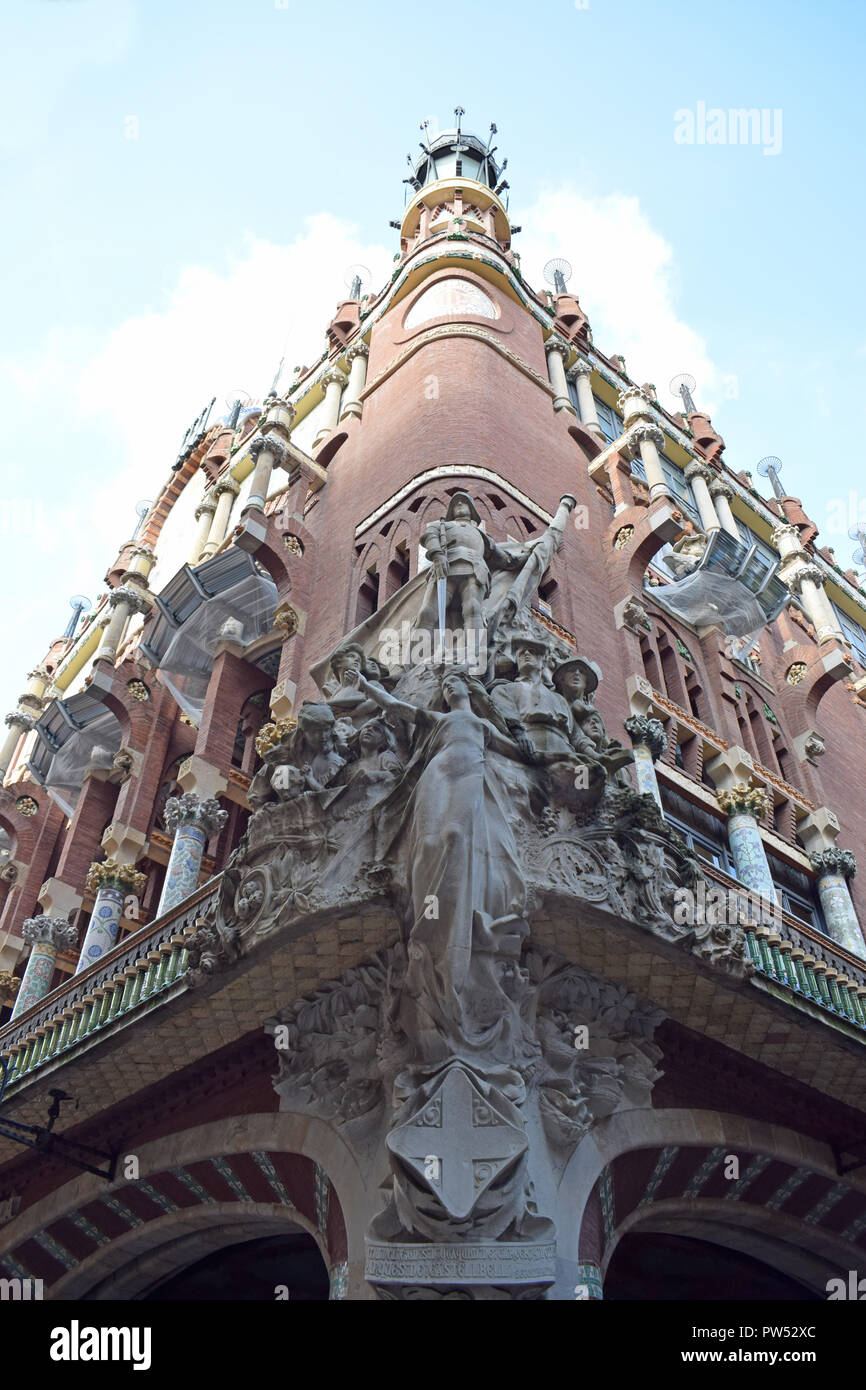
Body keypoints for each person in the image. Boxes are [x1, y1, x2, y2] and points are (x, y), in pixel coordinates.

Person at [342, 665, 533, 1059]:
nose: (448, 688)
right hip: (439, 771)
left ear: (467, 688)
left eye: (455, 683)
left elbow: (518, 752)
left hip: (470, 771)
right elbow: (396, 706)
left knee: (454, 836)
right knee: (428, 841)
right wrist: (364, 685)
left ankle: (457, 924)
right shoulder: (439, 719)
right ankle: (424, 920)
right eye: (445, 685)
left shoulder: (481, 725)